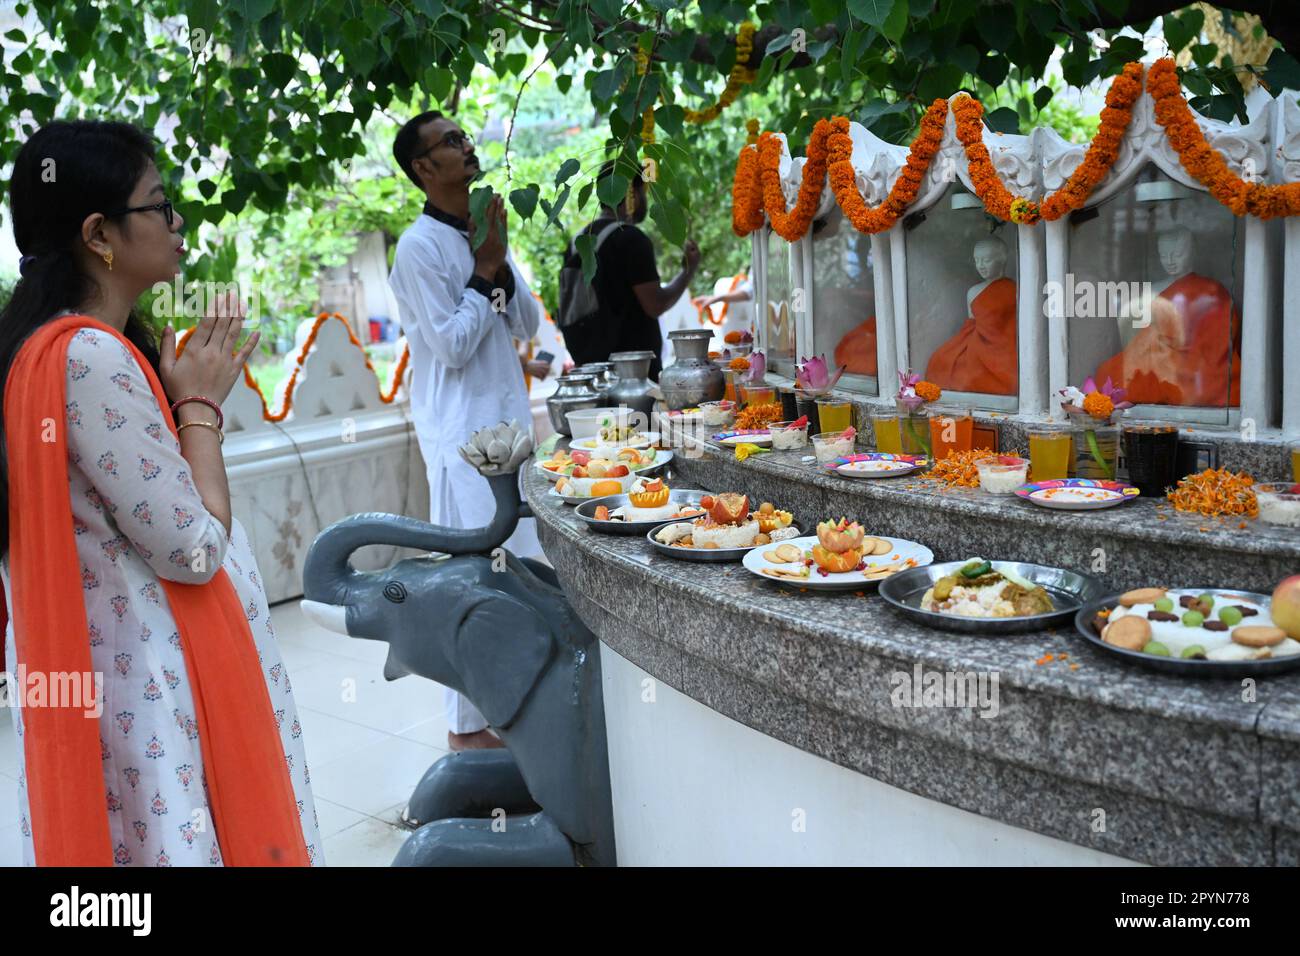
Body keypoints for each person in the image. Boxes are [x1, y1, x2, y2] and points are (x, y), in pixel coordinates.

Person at [0, 120, 320, 866]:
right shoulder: (87, 357)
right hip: (149, 695)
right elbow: (195, 547)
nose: (179, 225)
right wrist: (200, 407)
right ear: (99, 233)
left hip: (115, 678)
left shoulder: (44, 347)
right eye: (160, 205)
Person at [388, 111, 542, 752]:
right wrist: (483, 271)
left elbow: (527, 323)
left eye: (464, 137)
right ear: (424, 169)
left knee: (524, 578)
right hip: (461, 442)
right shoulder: (417, 248)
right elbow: (450, 347)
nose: (466, 146)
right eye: (450, 142)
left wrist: (497, 262)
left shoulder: (482, 233)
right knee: (475, 586)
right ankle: (468, 735)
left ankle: (522, 719)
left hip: (510, 431)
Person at [562, 162, 700, 379]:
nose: (646, 198)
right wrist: (688, 271)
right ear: (631, 192)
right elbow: (655, 304)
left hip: (592, 374)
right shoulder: (631, 239)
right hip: (634, 376)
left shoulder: (576, 243)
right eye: (644, 190)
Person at [1093, 225, 1240, 407]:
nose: (1170, 260)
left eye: (1178, 254)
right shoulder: (1152, 290)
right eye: (1163, 255)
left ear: (1193, 252)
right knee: (1106, 374)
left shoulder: (1212, 291)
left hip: (1196, 360)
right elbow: (1138, 335)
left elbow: (1220, 336)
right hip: (1158, 355)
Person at [924, 236, 1017, 395]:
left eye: (986, 260)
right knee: (940, 361)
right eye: (976, 260)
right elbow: (970, 325)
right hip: (977, 344)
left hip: (1006, 345)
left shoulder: (1015, 289)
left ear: (1001, 260)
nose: (980, 266)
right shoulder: (973, 291)